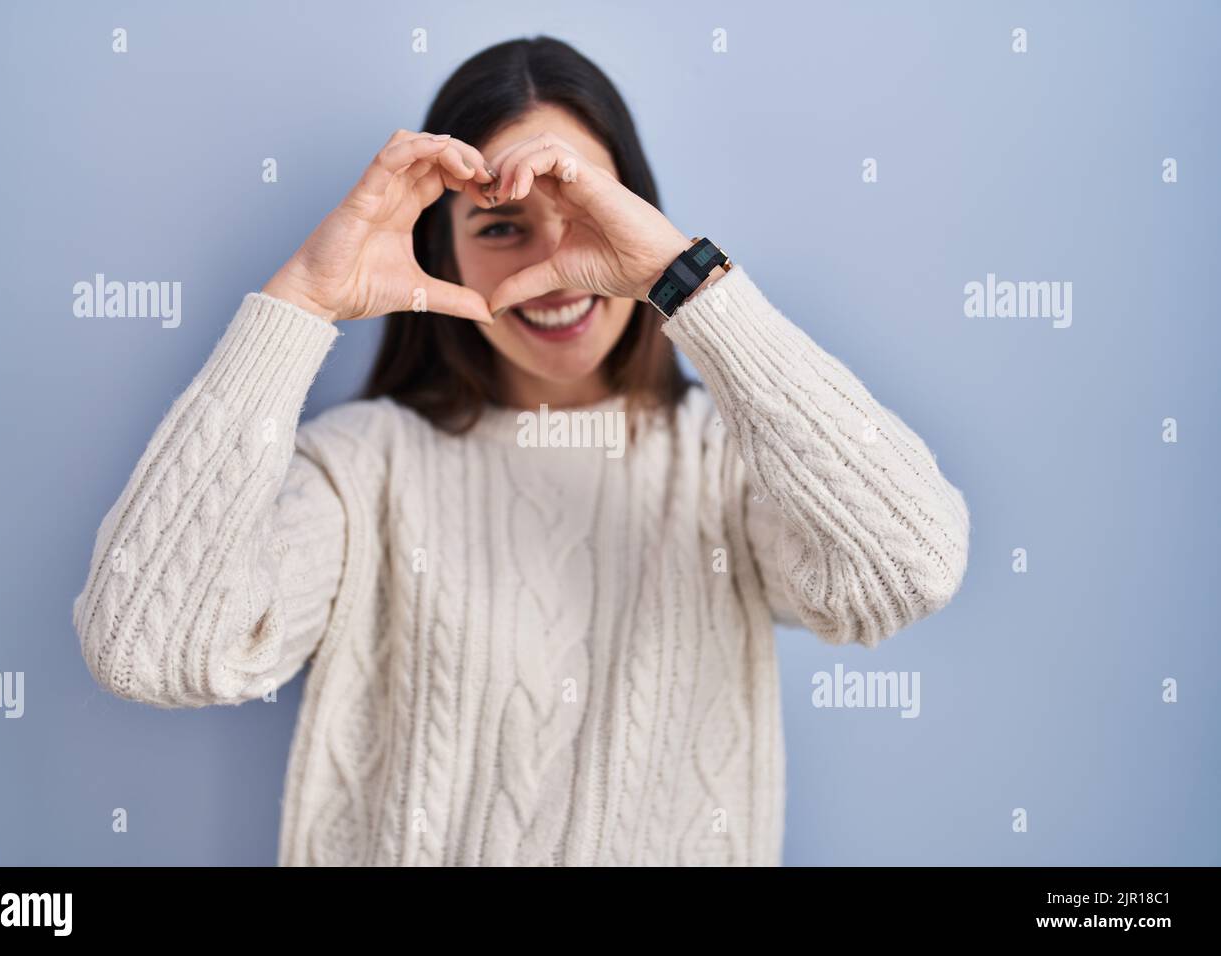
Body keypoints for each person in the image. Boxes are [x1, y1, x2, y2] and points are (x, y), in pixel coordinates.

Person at [72, 36, 970, 866]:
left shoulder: (725, 469)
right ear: (447, 256)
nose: (559, 260)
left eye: (583, 210)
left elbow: (908, 566)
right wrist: (301, 303)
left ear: (639, 217)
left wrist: (690, 284)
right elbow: (151, 650)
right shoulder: (363, 469)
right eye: (500, 227)